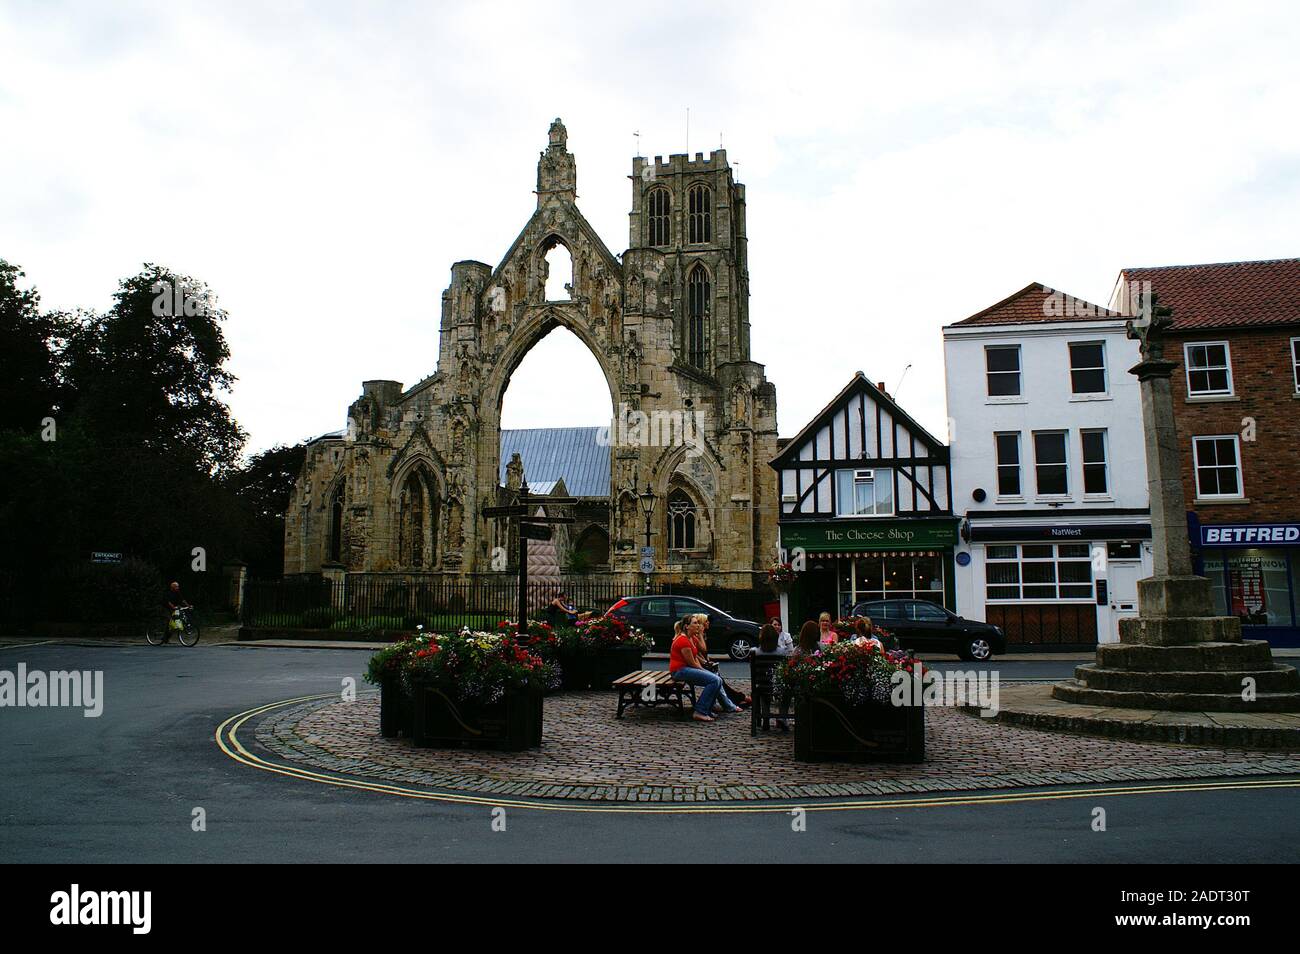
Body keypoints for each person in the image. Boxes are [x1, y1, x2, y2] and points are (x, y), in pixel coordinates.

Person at [669, 615, 728, 723]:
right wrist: (704, 671)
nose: (698, 625)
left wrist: (704, 668)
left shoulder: (690, 638)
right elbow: (691, 663)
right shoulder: (683, 640)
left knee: (717, 680)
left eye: (697, 622)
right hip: (679, 671)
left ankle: (706, 710)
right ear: (687, 626)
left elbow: (697, 657)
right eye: (695, 623)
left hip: (686, 669)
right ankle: (700, 711)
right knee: (714, 680)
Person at [692, 613, 747, 711]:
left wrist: (707, 661)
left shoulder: (701, 635)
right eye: (706, 621)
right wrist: (705, 663)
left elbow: (703, 654)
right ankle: (733, 702)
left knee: (719, 680)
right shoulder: (696, 636)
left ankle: (735, 700)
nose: (708, 623)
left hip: (701, 664)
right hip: (695, 667)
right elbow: (702, 651)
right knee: (717, 680)